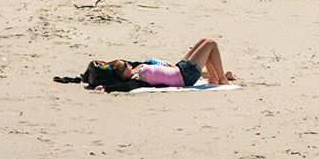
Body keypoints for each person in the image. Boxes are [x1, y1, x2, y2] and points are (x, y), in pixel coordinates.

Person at [88, 38, 235, 91]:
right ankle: (221, 79)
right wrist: (107, 88)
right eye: (125, 66)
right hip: (185, 76)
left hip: (179, 68)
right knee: (211, 43)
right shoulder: (137, 79)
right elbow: (126, 87)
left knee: (204, 41)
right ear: (123, 76)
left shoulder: (136, 69)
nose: (127, 64)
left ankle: (213, 79)